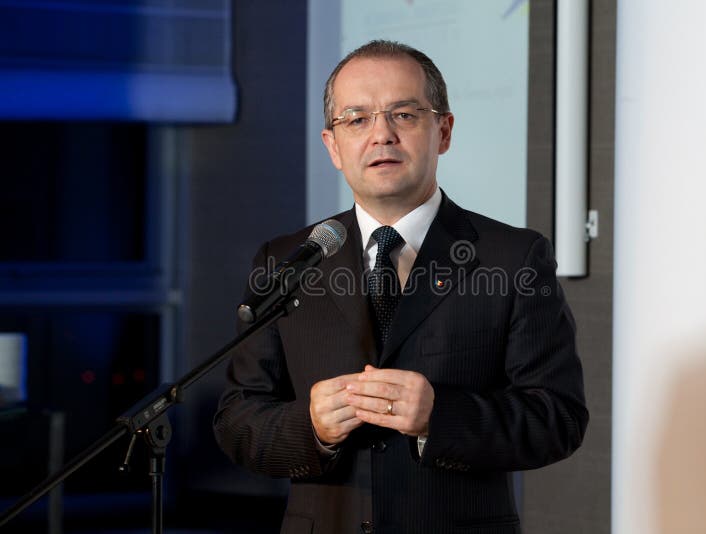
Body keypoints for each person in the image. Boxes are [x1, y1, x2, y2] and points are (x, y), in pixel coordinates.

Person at [214, 40, 588, 534]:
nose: (382, 135)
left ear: (444, 130)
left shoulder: (514, 257)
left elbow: (556, 418)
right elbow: (239, 422)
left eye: (404, 115)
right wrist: (313, 430)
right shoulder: (285, 261)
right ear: (333, 145)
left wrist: (441, 417)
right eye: (357, 119)